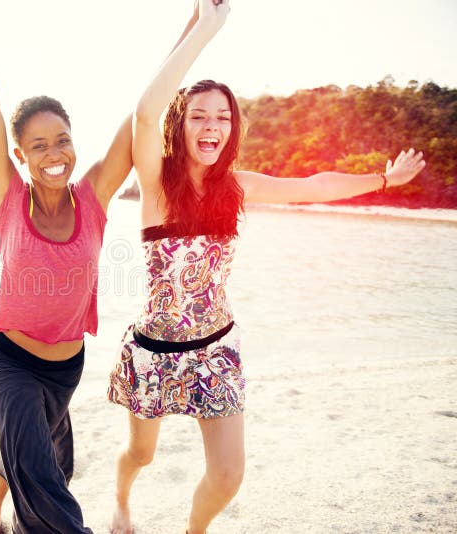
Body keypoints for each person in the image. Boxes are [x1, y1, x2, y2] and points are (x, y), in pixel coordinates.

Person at [106, 1, 427, 533]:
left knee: (229, 476)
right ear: (180, 125)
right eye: (199, 115)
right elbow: (144, 111)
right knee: (140, 455)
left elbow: (313, 187)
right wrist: (205, 29)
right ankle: (121, 501)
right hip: (155, 351)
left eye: (223, 117)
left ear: (233, 129)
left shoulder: (237, 188)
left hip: (216, 350)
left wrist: (384, 181)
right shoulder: (158, 183)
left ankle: (194, 531)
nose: (212, 126)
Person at [0, 2, 227, 533]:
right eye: (37, 145)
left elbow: (145, 111)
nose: (54, 153)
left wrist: (197, 24)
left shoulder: (93, 196)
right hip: (6, 362)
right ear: (19, 156)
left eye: (61, 139)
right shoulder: (8, 199)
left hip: (65, 369)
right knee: (42, 476)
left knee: (44, 460)